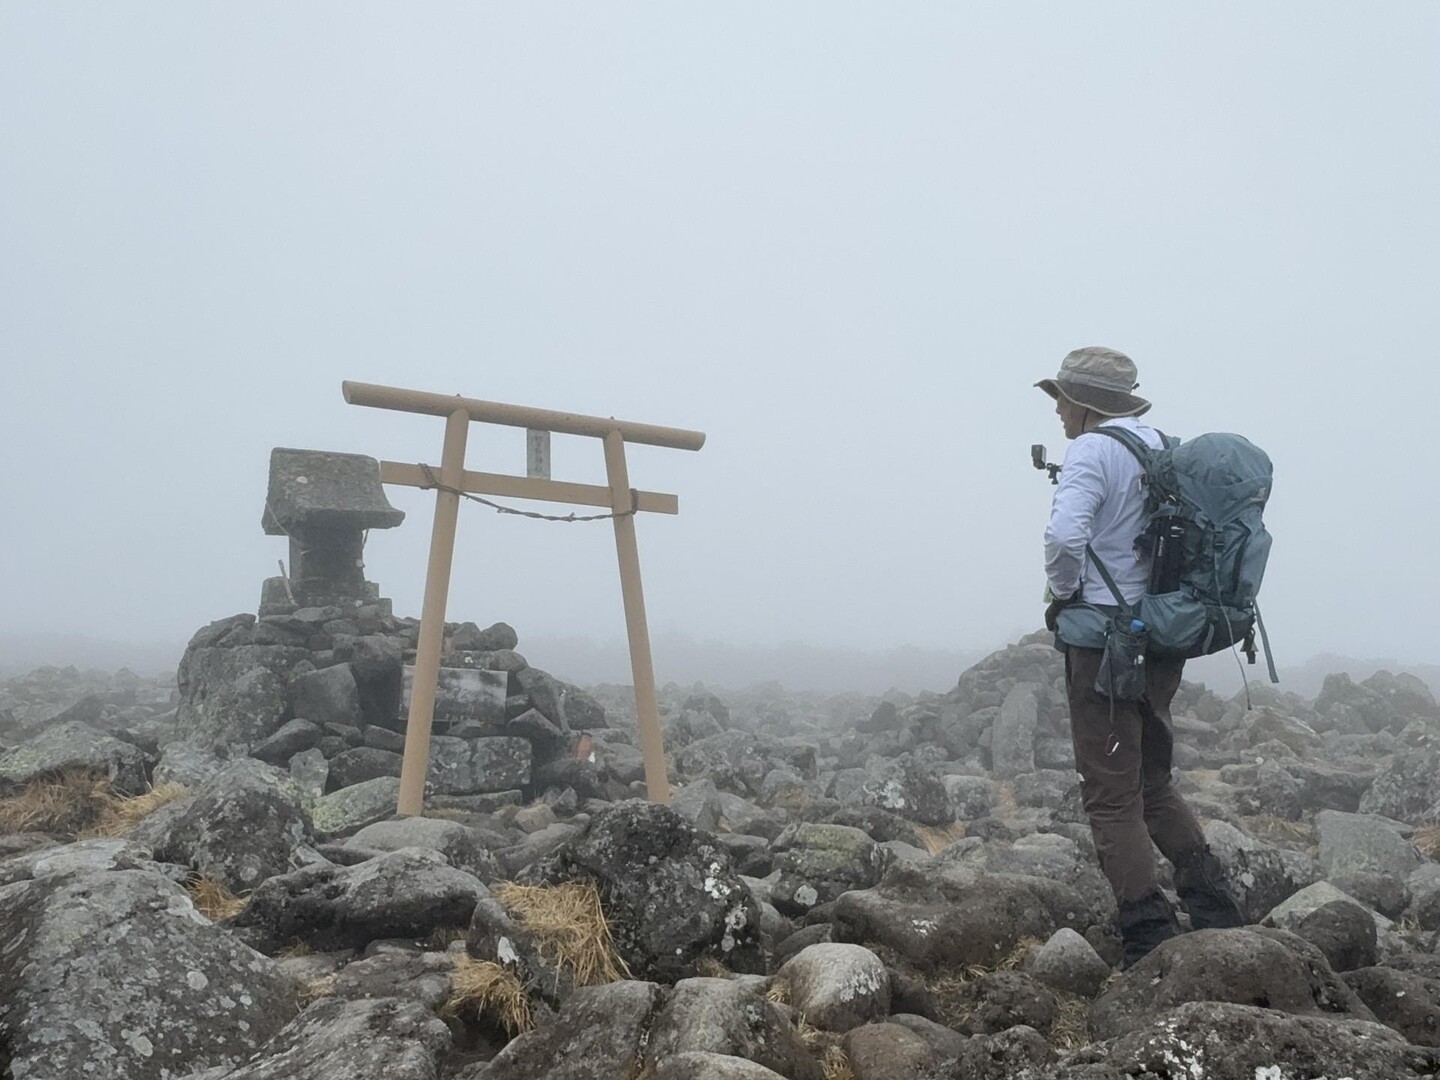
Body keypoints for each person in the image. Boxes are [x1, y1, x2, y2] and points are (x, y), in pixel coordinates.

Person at [1036, 346, 1245, 968]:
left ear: (1083, 404)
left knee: (1110, 794)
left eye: (1061, 400)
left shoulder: (1091, 451)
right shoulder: (1159, 445)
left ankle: (1147, 933)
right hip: (1160, 638)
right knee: (1152, 782)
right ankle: (1214, 905)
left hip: (1102, 642)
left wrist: (1067, 591)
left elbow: (1063, 536)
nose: (1058, 412)